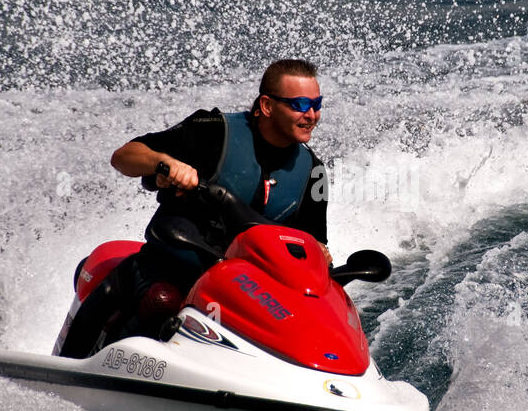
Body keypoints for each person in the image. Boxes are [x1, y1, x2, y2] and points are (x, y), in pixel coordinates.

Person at [55, 59, 331, 358]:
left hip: (245, 296)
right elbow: (124, 156)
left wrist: (320, 253)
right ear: (266, 105)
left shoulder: (312, 172)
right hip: (168, 268)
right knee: (163, 300)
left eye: (316, 104)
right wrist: (167, 164)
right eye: (301, 104)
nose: (312, 115)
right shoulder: (212, 132)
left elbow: (311, 245)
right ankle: (86, 368)